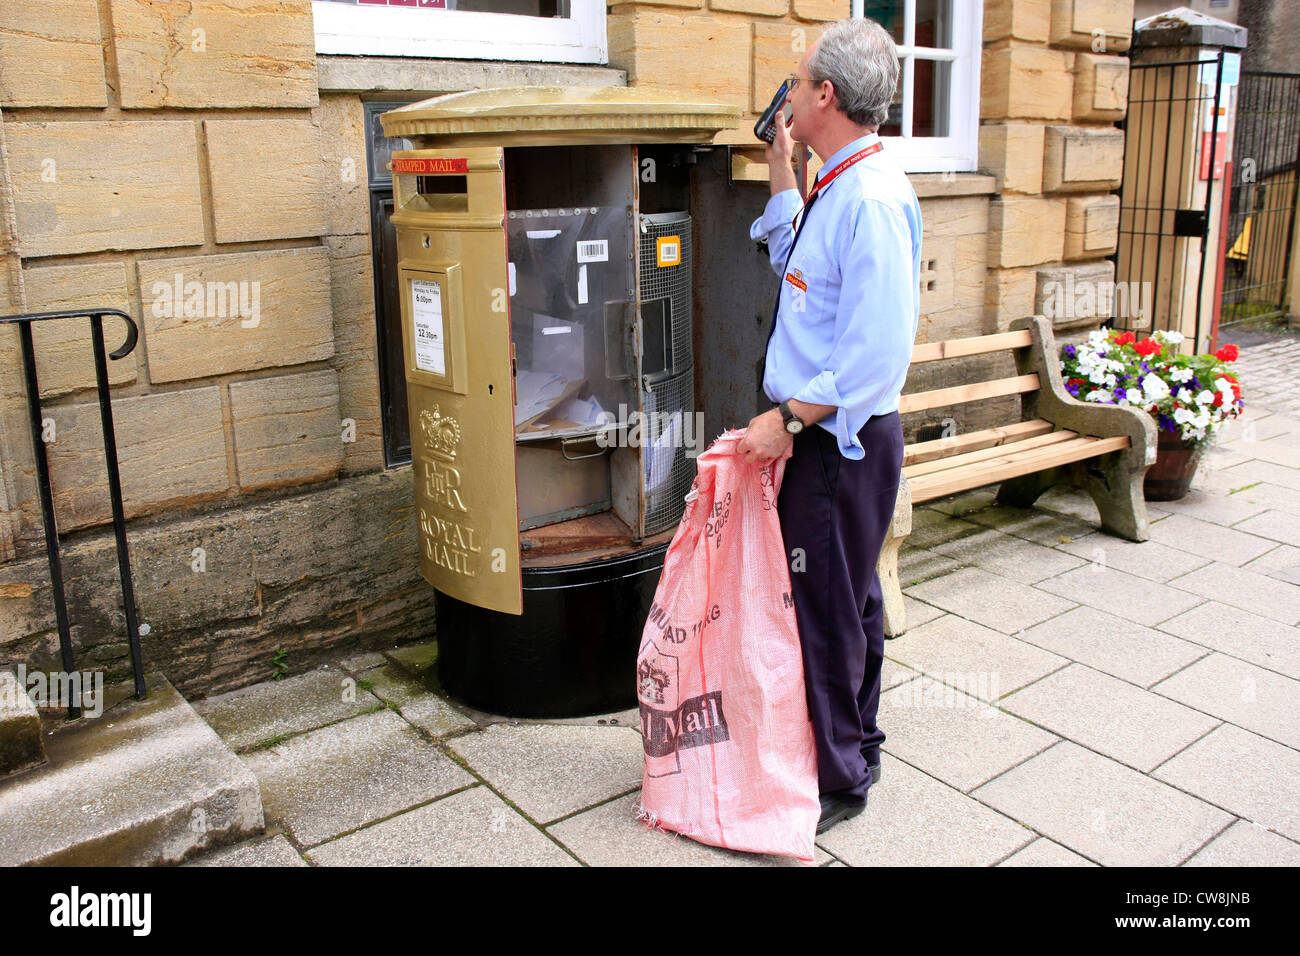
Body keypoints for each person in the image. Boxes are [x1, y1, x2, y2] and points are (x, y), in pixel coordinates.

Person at [736, 16, 922, 835]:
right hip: (833, 437)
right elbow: (799, 273)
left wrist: (788, 419)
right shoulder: (840, 181)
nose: (792, 84)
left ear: (826, 95)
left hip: (836, 440)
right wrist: (783, 170)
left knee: (828, 606)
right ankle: (861, 742)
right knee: (850, 596)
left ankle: (839, 776)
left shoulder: (871, 199)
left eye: (801, 75)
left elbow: (873, 353)